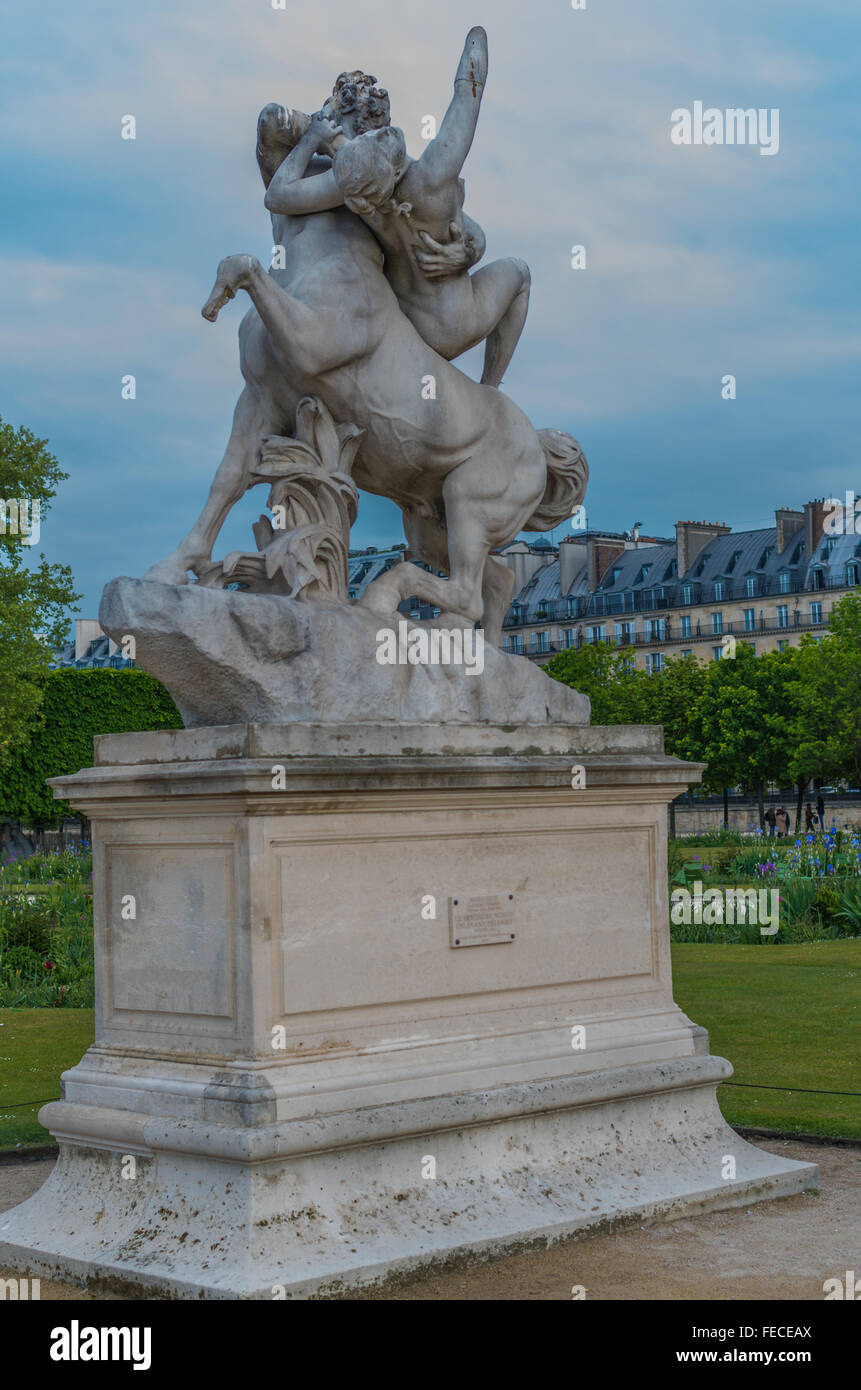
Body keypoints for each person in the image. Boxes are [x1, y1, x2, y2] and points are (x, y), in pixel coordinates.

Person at [263, 28, 532, 388]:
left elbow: (278, 193)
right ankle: (490, 388)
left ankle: (487, 391)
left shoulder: (355, 189)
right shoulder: (430, 177)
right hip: (459, 318)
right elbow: (467, 96)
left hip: (411, 326)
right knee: (520, 272)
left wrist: (313, 137)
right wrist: (468, 252)